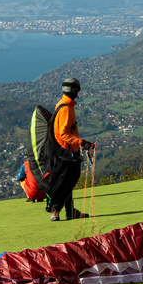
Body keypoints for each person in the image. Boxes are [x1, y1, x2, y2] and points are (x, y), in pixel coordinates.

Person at [46, 77, 94, 222]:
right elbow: (64, 133)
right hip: (65, 152)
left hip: (60, 151)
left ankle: (69, 211)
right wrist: (82, 142)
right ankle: (55, 210)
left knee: (68, 182)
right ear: (75, 91)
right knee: (64, 181)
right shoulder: (66, 108)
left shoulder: (61, 104)